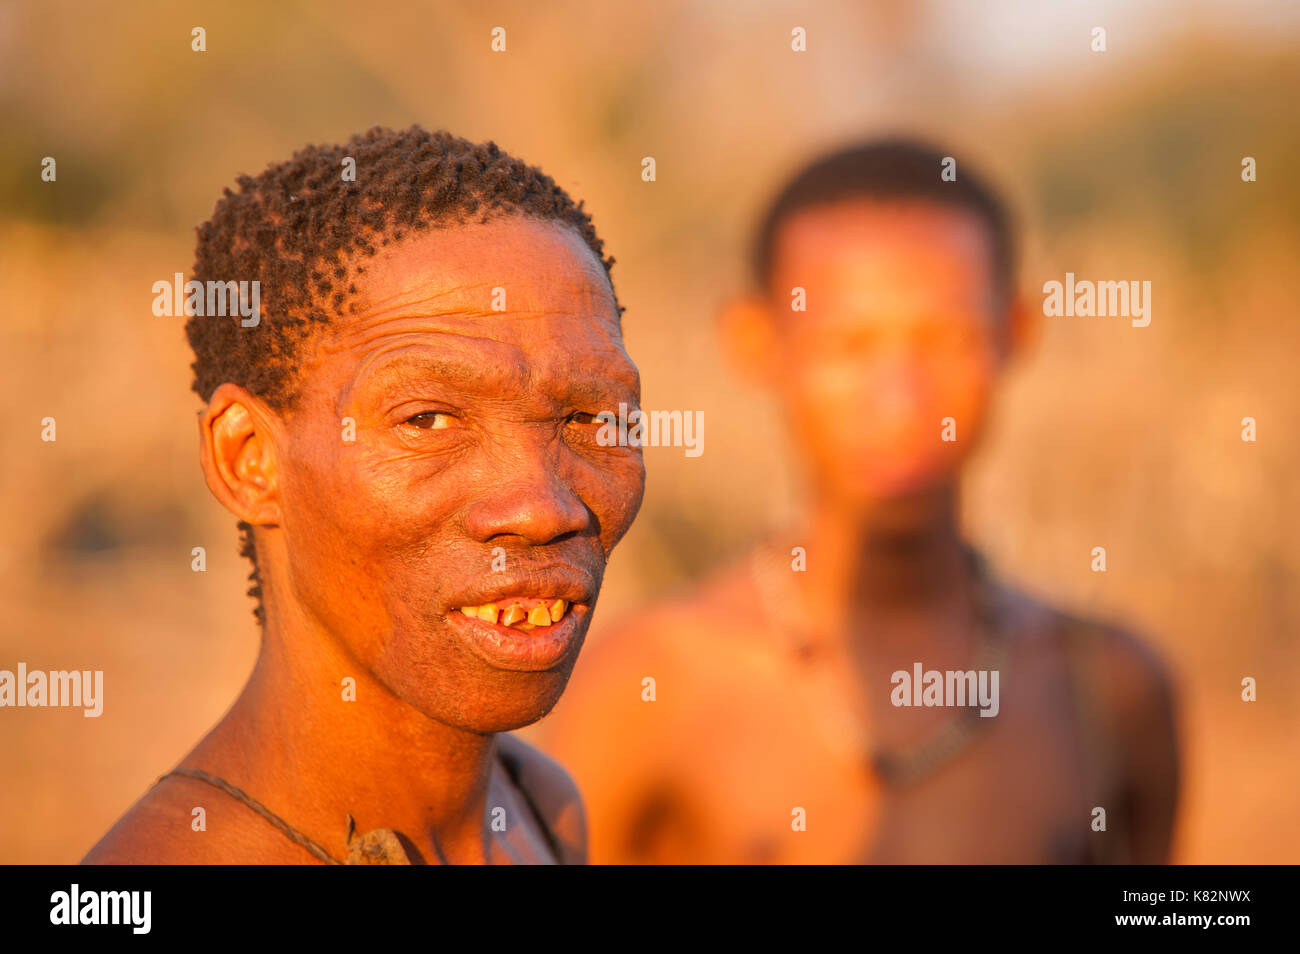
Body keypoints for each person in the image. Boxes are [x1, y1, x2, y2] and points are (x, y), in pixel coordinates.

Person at [542, 139, 1180, 864]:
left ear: (1015, 332)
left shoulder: (1104, 691)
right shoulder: (652, 685)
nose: (899, 399)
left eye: (945, 338)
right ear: (756, 342)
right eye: (848, 345)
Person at [83, 126, 645, 865]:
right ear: (249, 459)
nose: (544, 508)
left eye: (586, 418)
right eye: (428, 419)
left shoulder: (538, 807)